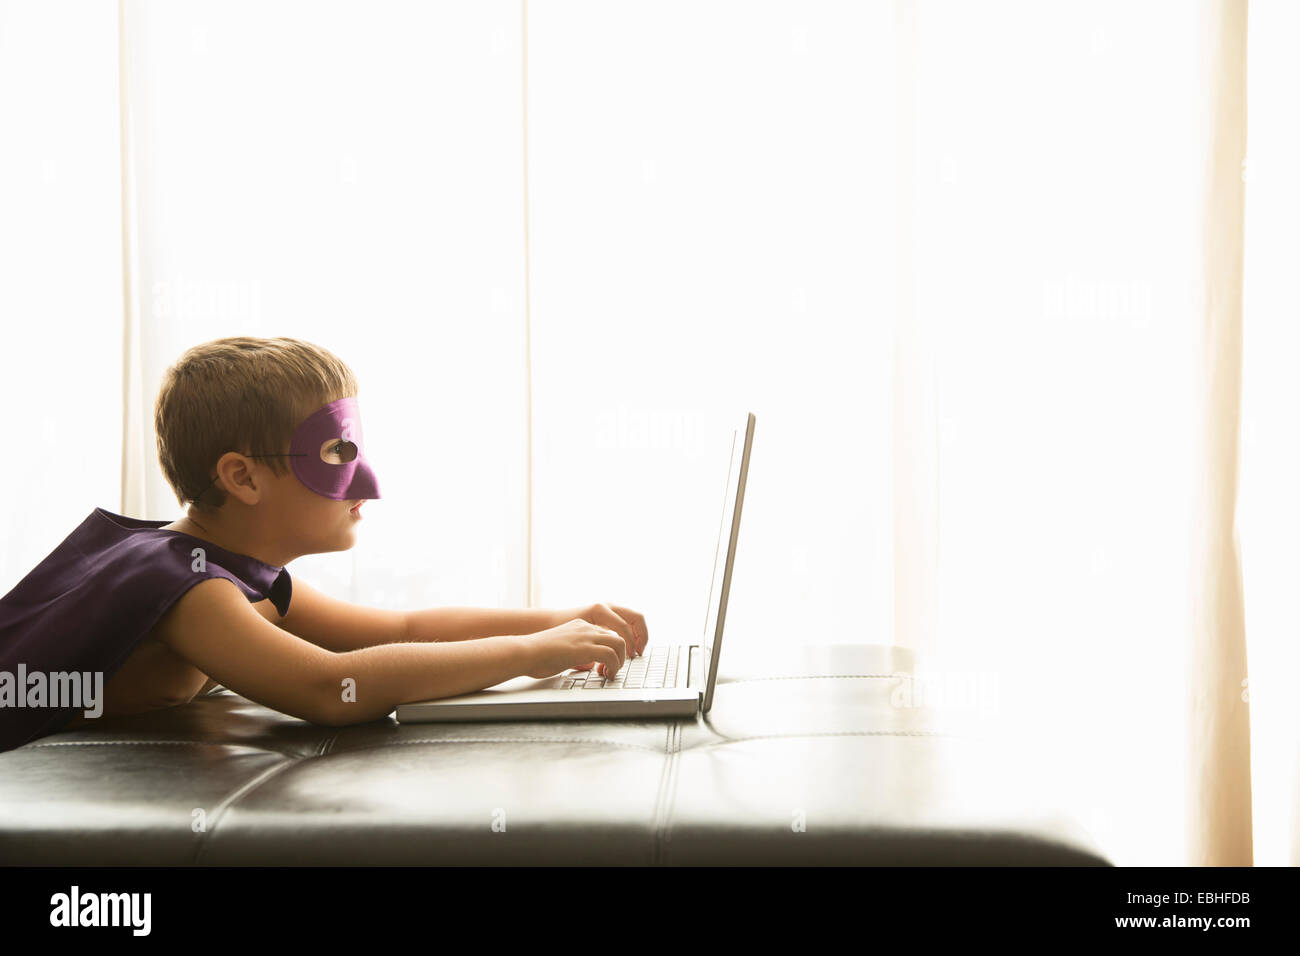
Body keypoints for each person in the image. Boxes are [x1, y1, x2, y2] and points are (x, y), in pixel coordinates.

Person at [0, 336, 646, 751]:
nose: (366, 480)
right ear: (243, 477)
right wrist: (528, 653)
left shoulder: (234, 572)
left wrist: (565, 619)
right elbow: (328, 688)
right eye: (339, 451)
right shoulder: (187, 588)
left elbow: (403, 627)